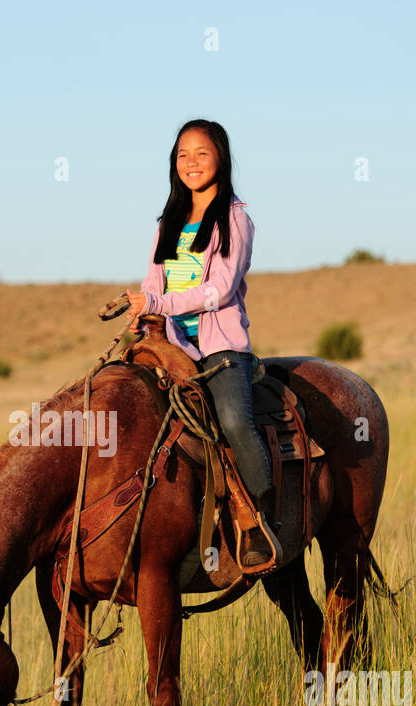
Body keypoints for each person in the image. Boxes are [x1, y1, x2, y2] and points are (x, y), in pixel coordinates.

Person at [124, 118, 281, 570]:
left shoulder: (235, 218)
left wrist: (159, 300)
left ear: (221, 159)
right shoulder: (169, 222)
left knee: (233, 420)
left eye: (201, 153)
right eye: (182, 155)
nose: (191, 163)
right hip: (172, 346)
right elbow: (153, 280)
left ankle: (257, 518)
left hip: (220, 349)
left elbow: (220, 289)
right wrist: (145, 313)